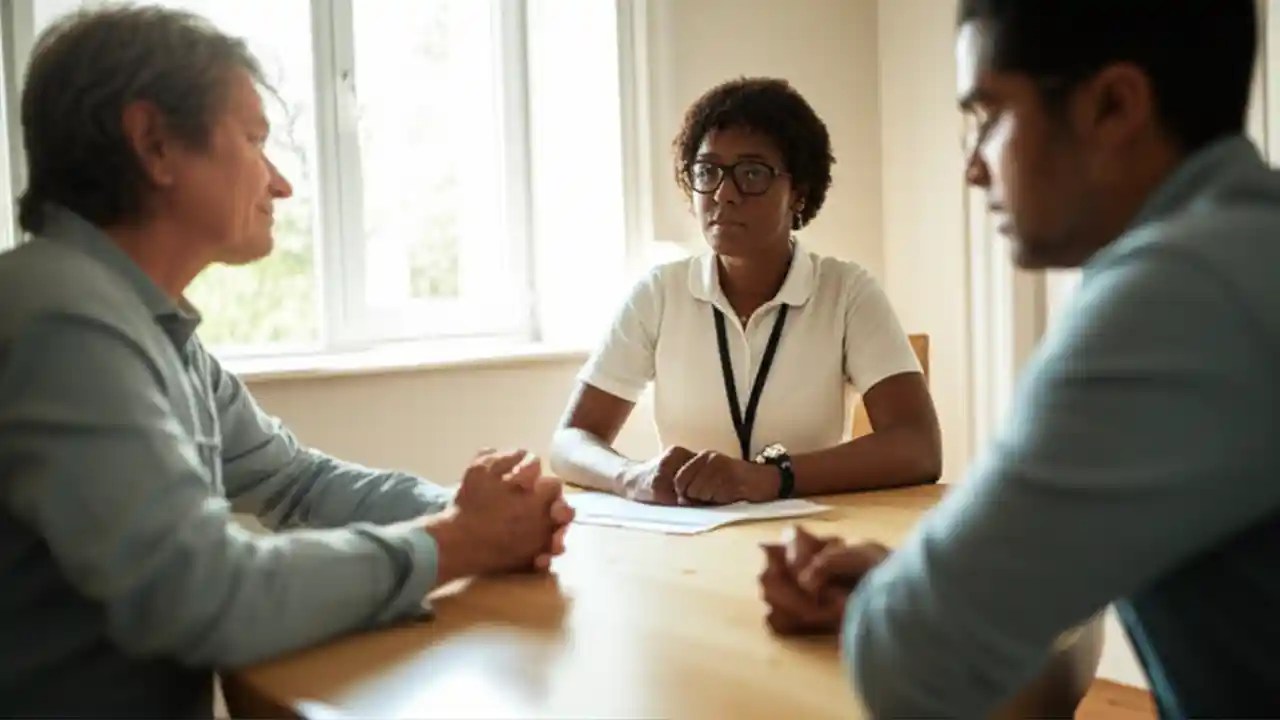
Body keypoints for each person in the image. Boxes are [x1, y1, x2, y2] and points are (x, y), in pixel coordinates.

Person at [0, 7, 572, 717]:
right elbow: (204, 593)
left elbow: (296, 484)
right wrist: (458, 540)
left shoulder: (146, 323)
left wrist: (486, 515)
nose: (280, 185)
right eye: (254, 140)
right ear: (154, 144)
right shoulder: (61, 317)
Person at [759, 0, 1280, 716]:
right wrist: (914, 583)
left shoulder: (1180, 295)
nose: (973, 167)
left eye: (990, 116)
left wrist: (907, 601)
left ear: (1113, 106)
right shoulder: (1247, 245)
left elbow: (913, 661)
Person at [550, 77, 941, 506]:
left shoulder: (846, 292)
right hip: (688, 541)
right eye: (707, 171)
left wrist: (770, 478)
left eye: (752, 173)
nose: (723, 193)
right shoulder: (659, 294)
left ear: (799, 193)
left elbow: (918, 446)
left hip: (807, 539)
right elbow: (570, 441)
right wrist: (631, 477)